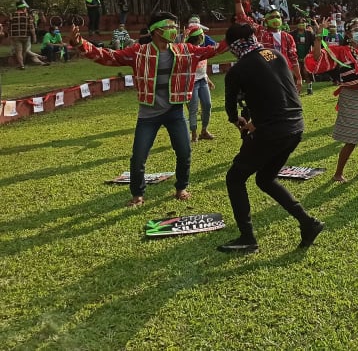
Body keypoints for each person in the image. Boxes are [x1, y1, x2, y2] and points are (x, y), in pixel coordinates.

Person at [70, 13, 225, 207]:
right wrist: (80, 44)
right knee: (139, 156)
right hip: (148, 114)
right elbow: (108, 57)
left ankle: (181, 187)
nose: (174, 30)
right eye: (169, 26)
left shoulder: (185, 50)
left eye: (174, 26)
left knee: (184, 152)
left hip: (175, 111)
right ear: (156, 30)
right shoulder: (139, 52)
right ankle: (138, 195)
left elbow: (216, 49)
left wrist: (238, 28)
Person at [218, 22, 323, 253]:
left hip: (272, 131)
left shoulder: (239, 69)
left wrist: (240, 122)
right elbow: (278, 95)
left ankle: (247, 238)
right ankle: (308, 223)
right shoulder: (275, 54)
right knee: (265, 179)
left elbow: (231, 108)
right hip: (295, 127)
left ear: (234, 45)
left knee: (235, 178)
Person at [306, 17, 358, 182]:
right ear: (348, 34)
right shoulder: (341, 51)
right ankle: (338, 174)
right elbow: (317, 56)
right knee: (351, 140)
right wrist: (320, 35)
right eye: (357, 30)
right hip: (349, 96)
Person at [231, 0, 303, 92]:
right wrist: (238, 2)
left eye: (278, 17)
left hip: (284, 73)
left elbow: (293, 58)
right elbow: (243, 18)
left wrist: (299, 77)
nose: (276, 19)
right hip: (265, 72)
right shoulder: (261, 32)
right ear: (265, 20)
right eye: (272, 17)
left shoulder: (288, 37)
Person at [185, 26, 215, 142]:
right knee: (193, 109)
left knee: (207, 105)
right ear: (199, 37)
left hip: (203, 80)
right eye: (202, 35)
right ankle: (193, 134)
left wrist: (208, 80)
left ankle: (204, 131)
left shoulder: (201, 49)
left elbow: (202, 69)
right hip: (192, 82)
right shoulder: (189, 51)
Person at [9, 1, 46, 69]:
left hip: (16, 36)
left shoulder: (12, 15)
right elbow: (31, 27)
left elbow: (10, 26)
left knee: (19, 51)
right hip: (26, 35)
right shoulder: (28, 16)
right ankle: (23, 64)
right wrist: (34, 36)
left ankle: (22, 65)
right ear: (23, 8)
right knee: (24, 51)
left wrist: (10, 35)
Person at [290, 18, 316, 95]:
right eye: (300, 23)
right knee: (296, 74)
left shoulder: (309, 33)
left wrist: (312, 54)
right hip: (295, 56)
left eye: (303, 22)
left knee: (306, 72)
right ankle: (296, 90)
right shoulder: (292, 34)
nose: (302, 24)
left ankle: (309, 87)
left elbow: (314, 45)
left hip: (306, 56)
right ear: (297, 24)